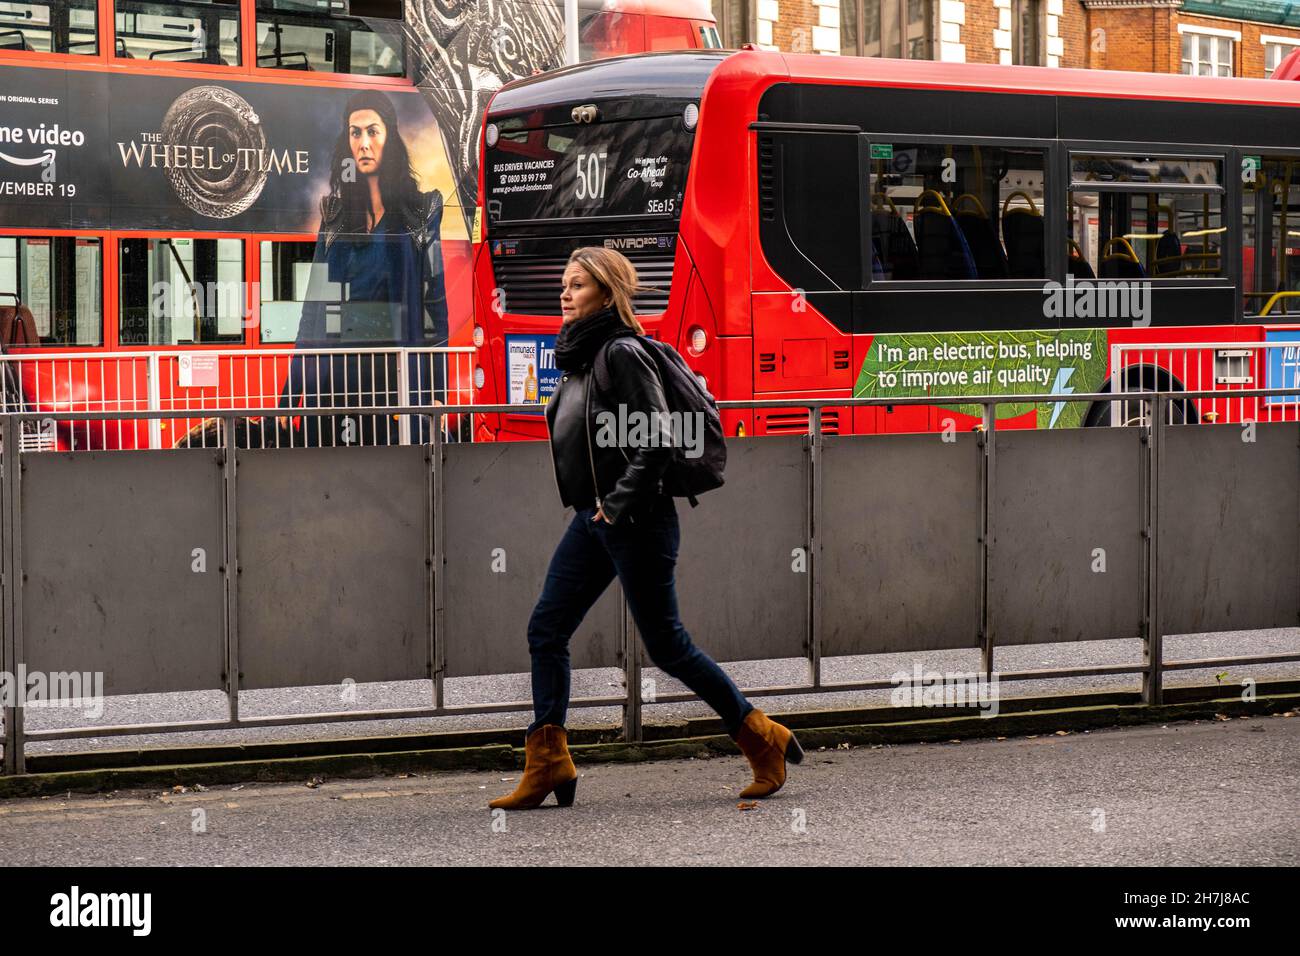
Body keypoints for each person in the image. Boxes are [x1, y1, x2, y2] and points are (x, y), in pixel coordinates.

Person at [488, 246, 804, 811]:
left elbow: (658, 435)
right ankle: (548, 761)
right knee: (547, 627)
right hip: (596, 519)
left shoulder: (621, 352)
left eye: (578, 285)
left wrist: (617, 503)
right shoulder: (582, 357)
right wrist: (600, 509)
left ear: (606, 295)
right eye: (564, 282)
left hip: (635, 519)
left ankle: (762, 738)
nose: (565, 293)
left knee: (668, 647)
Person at [278, 89, 449, 446]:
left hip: (396, 379)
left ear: (390, 137)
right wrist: (289, 396)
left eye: (373, 131)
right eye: (355, 133)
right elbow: (314, 310)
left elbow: (434, 302)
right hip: (335, 380)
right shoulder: (335, 214)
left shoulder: (422, 210)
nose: (364, 143)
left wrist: (437, 390)